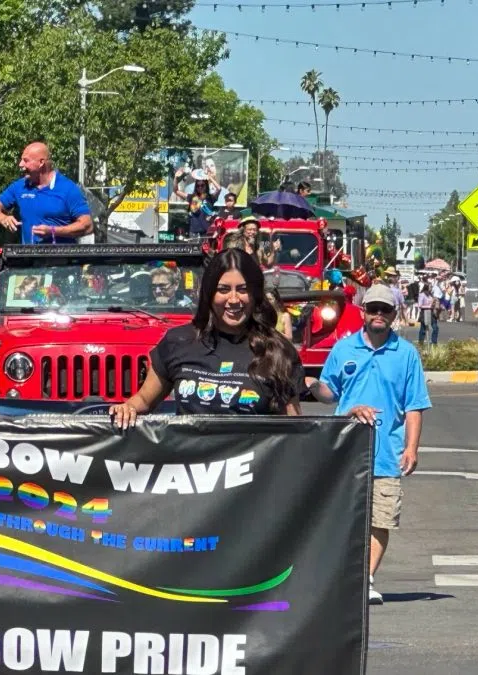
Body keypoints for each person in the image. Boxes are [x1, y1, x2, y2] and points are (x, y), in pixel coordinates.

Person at [305, 283, 431, 605]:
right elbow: (330, 392)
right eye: (372, 308)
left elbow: (414, 405)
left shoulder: (406, 355)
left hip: (386, 451)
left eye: (384, 310)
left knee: (381, 519)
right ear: (363, 312)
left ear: (394, 314)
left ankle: (366, 579)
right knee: (344, 518)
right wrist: (311, 384)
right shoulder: (343, 350)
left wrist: (411, 447)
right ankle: (343, 576)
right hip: (345, 451)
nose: (378, 314)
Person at [110, 249, 304, 426]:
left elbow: (293, 430)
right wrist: (127, 408)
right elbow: (144, 400)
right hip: (189, 462)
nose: (234, 299)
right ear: (209, 293)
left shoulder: (279, 351)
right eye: (223, 289)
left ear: (255, 294)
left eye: (243, 290)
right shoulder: (178, 341)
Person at [0, 142, 93, 244]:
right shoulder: (20, 186)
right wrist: (3, 218)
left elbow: (87, 225)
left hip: (61, 261)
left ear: (41, 162)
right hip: (29, 260)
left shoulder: (68, 189)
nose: (20, 164)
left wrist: (53, 231)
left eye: (25, 160)